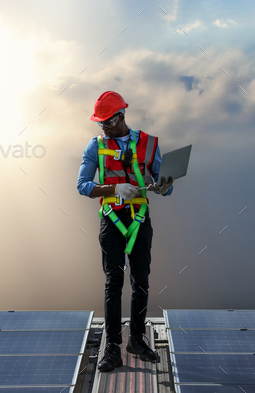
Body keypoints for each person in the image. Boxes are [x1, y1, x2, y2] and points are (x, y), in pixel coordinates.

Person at [77, 91, 174, 372]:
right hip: (111, 219)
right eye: (100, 123)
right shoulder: (95, 147)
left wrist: (164, 186)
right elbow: (82, 185)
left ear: (121, 116)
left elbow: (165, 184)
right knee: (113, 282)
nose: (103, 127)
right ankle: (112, 348)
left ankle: (136, 340)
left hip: (139, 219)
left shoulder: (148, 144)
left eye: (107, 122)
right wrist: (113, 188)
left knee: (141, 280)